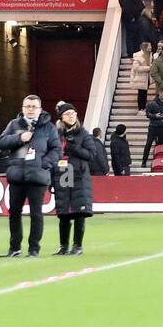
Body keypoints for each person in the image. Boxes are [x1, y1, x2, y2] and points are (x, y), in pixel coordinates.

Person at [0, 94, 61, 257]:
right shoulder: (14, 124)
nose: (30, 109)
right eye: (27, 106)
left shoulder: (49, 127)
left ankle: (34, 248)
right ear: (23, 108)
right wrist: (19, 138)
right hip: (17, 175)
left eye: (34, 107)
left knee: (36, 214)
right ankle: (15, 247)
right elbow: (1, 143)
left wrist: (44, 164)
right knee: (14, 213)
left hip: (37, 176)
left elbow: (57, 150)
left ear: (40, 109)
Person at [54, 102, 98, 256]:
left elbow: (92, 155)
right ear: (61, 117)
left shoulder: (84, 134)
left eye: (73, 113)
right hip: (62, 174)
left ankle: (77, 246)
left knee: (80, 212)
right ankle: (63, 246)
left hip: (79, 176)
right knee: (64, 213)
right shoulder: (56, 134)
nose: (71, 116)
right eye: (67, 114)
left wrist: (75, 149)